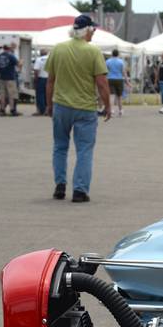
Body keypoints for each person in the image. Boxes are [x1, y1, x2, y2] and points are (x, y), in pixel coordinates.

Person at [44, 14, 111, 203]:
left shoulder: (58, 49)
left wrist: (49, 105)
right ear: (88, 30)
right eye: (93, 30)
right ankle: (80, 190)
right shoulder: (93, 52)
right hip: (85, 108)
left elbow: (50, 81)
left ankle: (60, 185)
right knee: (84, 150)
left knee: (60, 147)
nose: (94, 33)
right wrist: (108, 106)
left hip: (61, 106)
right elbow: (102, 82)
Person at [0, 43, 21, 116]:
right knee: (11, 95)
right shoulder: (11, 56)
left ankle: (2, 110)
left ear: (3, 48)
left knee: (2, 95)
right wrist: (21, 62)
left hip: (2, 78)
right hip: (10, 78)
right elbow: (18, 65)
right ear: (9, 48)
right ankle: (12, 110)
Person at [105, 49, 129, 117]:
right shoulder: (121, 62)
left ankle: (111, 111)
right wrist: (127, 82)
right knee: (119, 96)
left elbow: (105, 71)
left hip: (110, 79)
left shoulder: (108, 61)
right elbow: (124, 72)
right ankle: (120, 110)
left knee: (111, 96)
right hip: (119, 79)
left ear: (112, 54)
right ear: (118, 54)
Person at [32, 49, 50, 116]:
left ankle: (41, 110)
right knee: (48, 95)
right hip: (49, 78)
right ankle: (48, 110)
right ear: (47, 53)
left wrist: (35, 79)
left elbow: (36, 70)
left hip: (41, 78)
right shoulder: (50, 58)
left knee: (40, 95)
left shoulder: (39, 59)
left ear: (40, 53)